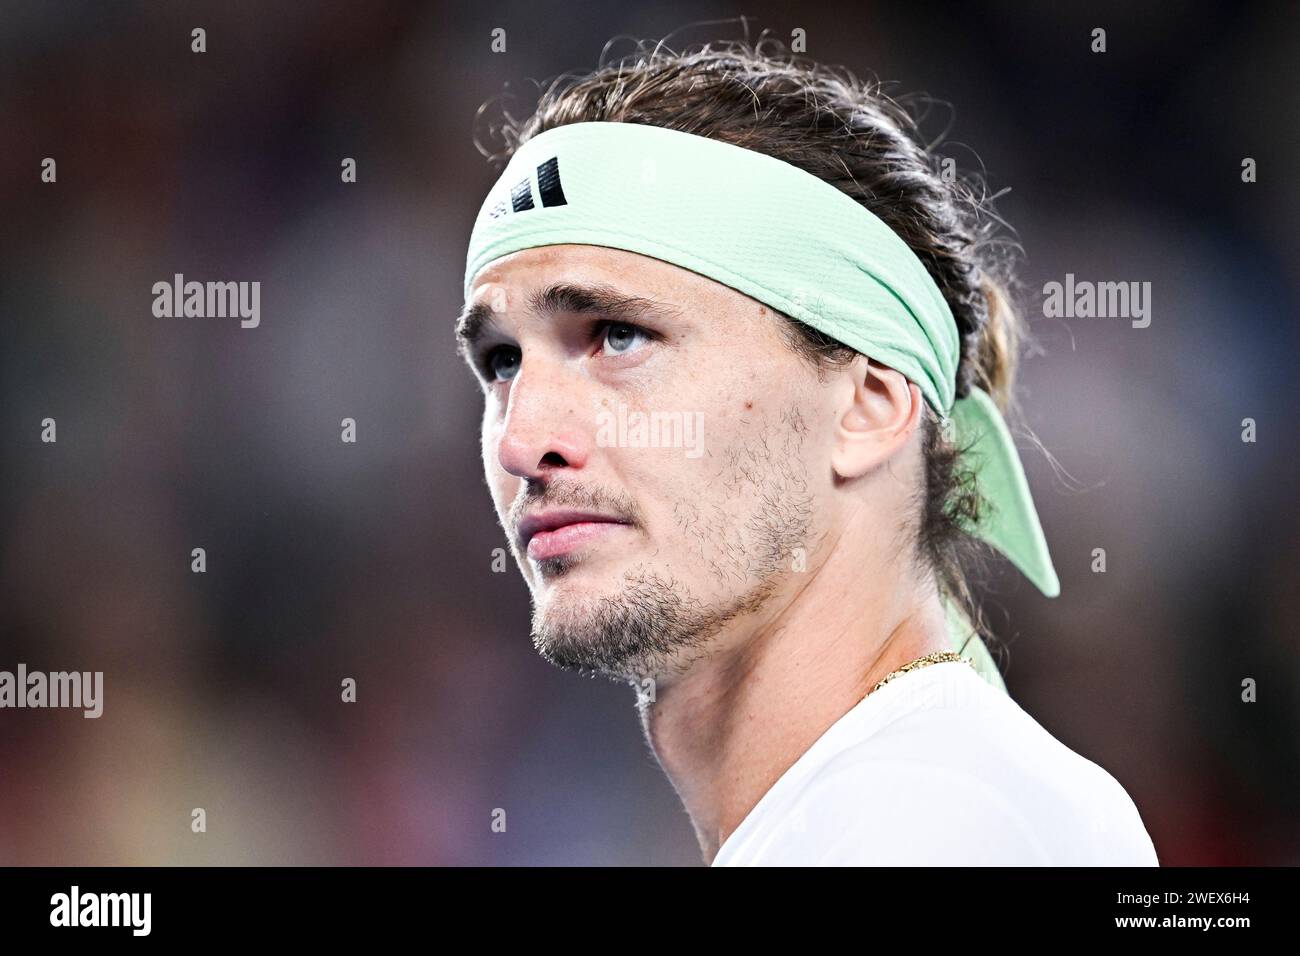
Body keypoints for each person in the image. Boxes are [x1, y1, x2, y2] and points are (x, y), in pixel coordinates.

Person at [454, 38, 1158, 866]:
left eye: (618, 335)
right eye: (503, 361)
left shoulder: (945, 826)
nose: (522, 439)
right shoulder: (900, 804)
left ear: (866, 407)